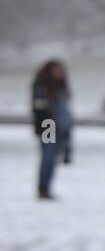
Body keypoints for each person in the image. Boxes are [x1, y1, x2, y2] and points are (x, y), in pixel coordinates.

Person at [31, 59, 73, 200]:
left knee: (54, 159)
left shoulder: (62, 86)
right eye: (57, 70)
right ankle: (43, 188)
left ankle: (47, 187)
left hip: (61, 127)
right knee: (48, 158)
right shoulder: (42, 86)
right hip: (48, 125)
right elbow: (39, 108)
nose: (60, 73)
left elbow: (66, 109)